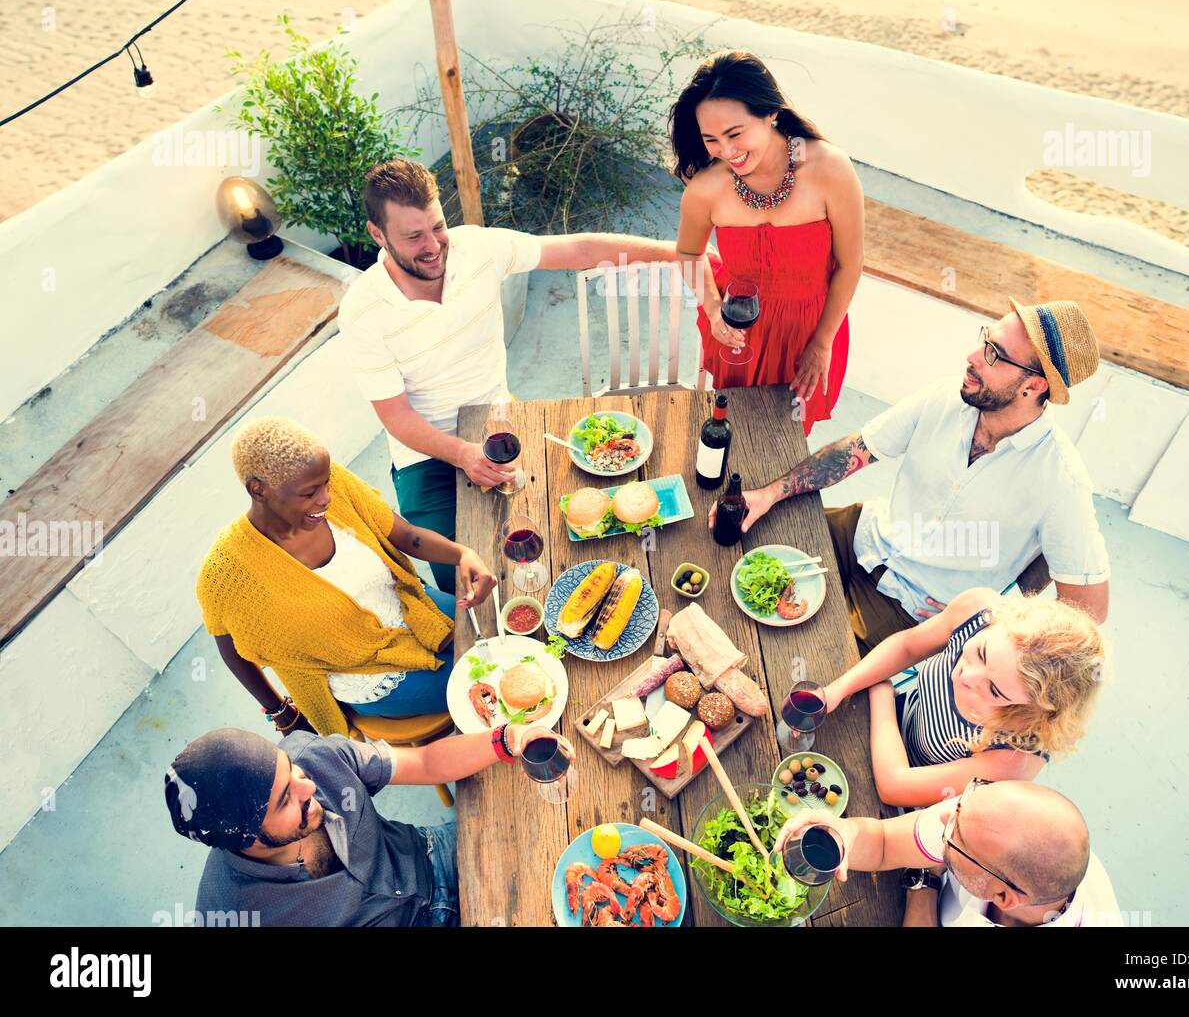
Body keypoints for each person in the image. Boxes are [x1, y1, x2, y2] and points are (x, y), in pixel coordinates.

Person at [338, 158, 683, 592]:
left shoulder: (477, 248)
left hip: (498, 420)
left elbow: (580, 249)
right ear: (378, 234)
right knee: (468, 580)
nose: (433, 246)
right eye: (413, 237)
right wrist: (462, 453)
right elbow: (396, 416)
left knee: (555, 535)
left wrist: (680, 253)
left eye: (438, 227)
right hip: (425, 456)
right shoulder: (361, 312)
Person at [712, 298, 1110, 644]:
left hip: (911, 610)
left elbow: (1087, 611)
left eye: (994, 354)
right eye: (984, 338)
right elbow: (857, 450)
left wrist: (1001, 617)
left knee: (792, 656)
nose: (972, 358)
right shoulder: (946, 396)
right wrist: (768, 494)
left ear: (1034, 386)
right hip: (864, 533)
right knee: (734, 553)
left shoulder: (1061, 481)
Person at [197, 417, 496, 739]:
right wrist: (280, 712)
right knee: (494, 683)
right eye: (310, 493)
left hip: (411, 607)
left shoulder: (330, 482)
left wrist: (462, 554)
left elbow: (406, 536)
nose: (326, 497)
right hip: (367, 671)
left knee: (505, 635)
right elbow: (231, 650)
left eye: (325, 483)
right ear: (258, 490)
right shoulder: (228, 572)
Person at [164, 720, 570, 927]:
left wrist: (504, 739)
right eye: (286, 799)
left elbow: (425, 763)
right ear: (246, 837)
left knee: (564, 852)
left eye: (292, 773)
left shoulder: (313, 755)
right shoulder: (232, 911)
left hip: (431, 857)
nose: (307, 787)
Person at [669, 50, 863, 435]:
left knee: (786, 439)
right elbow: (688, 253)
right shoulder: (706, 189)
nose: (727, 151)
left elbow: (850, 263)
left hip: (809, 331)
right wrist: (711, 310)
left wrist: (821, 343)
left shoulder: (828, 168)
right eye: (711, 139)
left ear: (771, 112)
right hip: (739, 330)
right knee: (733, 431)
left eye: (735, 134)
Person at [821, 586, 1105, 806]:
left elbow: (895, 786)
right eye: (981, 652)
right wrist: (837, 689)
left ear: (1032, 710)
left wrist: (882, 693)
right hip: (883, 721)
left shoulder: (1017, 756)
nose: (966, 677)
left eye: (995, 690)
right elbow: (908, 646)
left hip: (905, 795)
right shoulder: (979, 611)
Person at [774, 778, 1123, 927]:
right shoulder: (979, 819)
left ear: (1003, 895)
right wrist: (844, 832)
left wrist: (923, 886)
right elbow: (881, 842)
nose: (942, 815)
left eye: (955, 838)